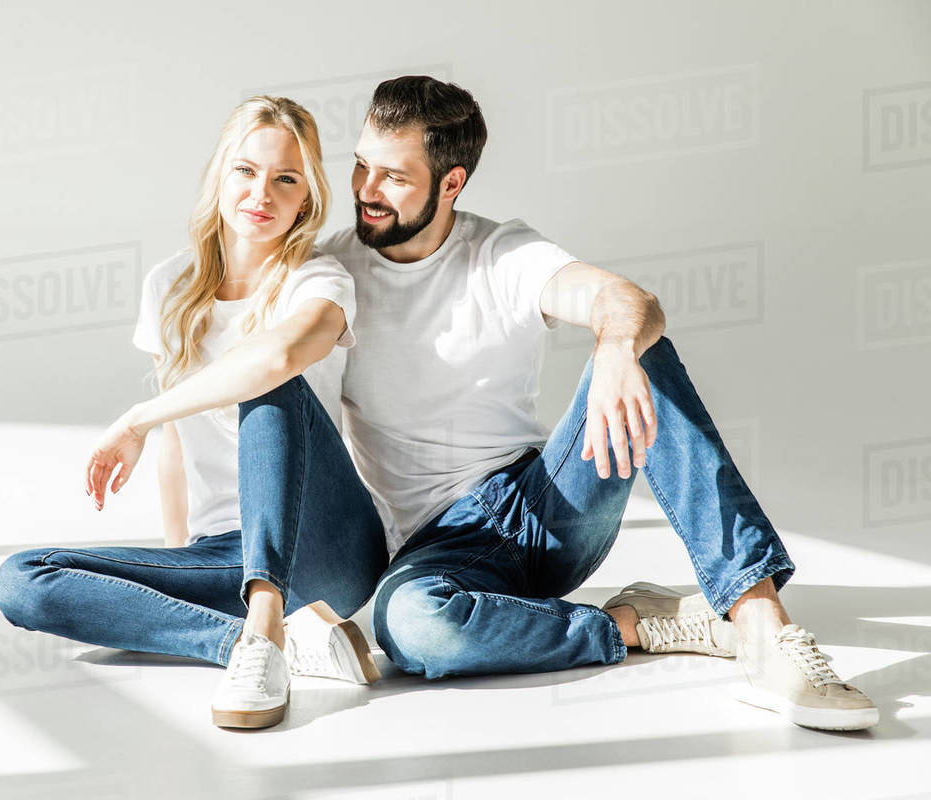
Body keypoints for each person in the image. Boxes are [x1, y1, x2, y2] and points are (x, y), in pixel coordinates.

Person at [317, 75, 879, 731]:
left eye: (393, 176)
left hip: (544, 506)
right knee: (410, 627)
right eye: (361, 165)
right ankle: (635, 624)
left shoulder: (501, 254)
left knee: (640, 344)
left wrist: (615, 350)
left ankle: (761, 627)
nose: (366, 190)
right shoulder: (335, 267)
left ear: (451, 183)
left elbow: (626, 301)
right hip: (434, 549)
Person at [0, 96, 389, 730]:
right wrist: (174, 559)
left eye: (286, 178)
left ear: (306, 200)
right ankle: (253, 643)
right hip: (223, 555)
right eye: (246, 171)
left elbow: (280, 355)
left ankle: (265, 624)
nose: (262, 192)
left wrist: (137, 418)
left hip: (327, 546)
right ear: (220, 176)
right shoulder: (169, 287)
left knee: (269, 377)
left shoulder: (318, 280)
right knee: (22, 580)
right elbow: (177, 451)